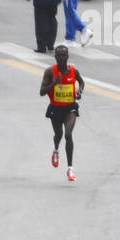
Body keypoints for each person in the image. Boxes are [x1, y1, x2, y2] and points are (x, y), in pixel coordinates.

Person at [40, 44, 84, 182]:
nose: (61, 58)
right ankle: (56, 150)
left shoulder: (73, 71)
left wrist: (79, 91)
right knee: (58, 134)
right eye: (58, 55)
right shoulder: (49, 72)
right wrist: (54, 84)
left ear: (67, 56)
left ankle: (70, 169)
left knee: (68, 134)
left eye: (63, 55)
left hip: (70, 107)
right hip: (55, 108)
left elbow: (81, 83)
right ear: (55, 57)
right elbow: (41, 92)